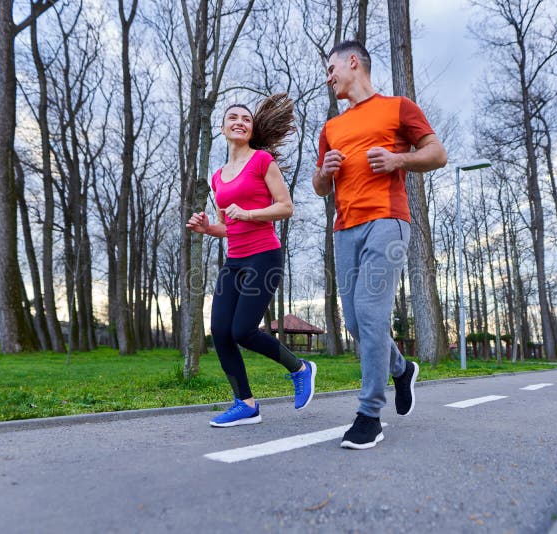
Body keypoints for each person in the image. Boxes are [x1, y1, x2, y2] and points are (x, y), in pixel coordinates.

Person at [312, 41, 448, 449]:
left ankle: (369, 414)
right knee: (355, 322)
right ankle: (401, 369)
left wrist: (397, 160)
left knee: (371, 314)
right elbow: (320, 187)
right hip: (344, 228)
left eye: (331, 67)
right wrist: (324, 172)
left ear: (353, 62)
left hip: (387, 222)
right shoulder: (331, 127)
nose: (328, 76)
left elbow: (437, 154)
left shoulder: (398, 107)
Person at [187, 93, 316, 427]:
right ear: (223, 127)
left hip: (264, 255)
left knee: (243, 330)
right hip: (234, 261)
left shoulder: (262, 162)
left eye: (246, 119)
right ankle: (245, 403)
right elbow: (227, 227)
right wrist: (207, 228)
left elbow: (285, 207)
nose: (240, 122)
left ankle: (300, 368)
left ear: (251, 128)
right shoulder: (218, 177)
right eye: (233, 118)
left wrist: (249, 212)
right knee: (220, 330)